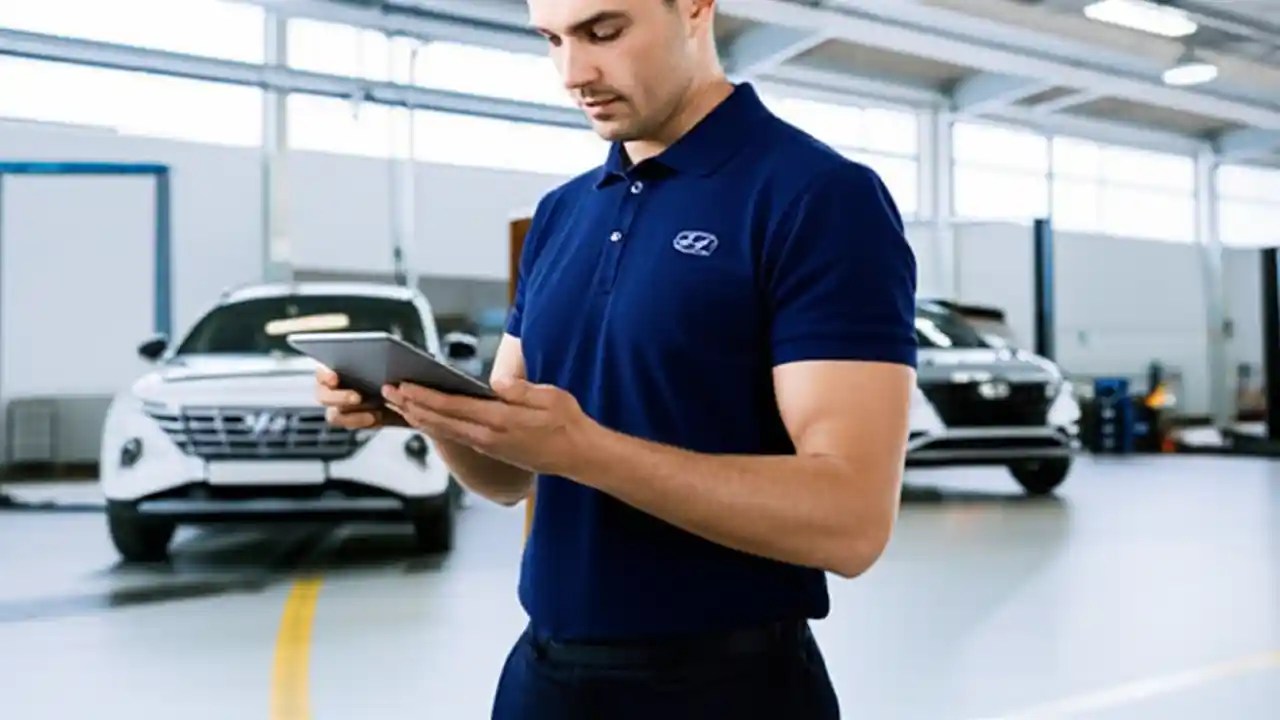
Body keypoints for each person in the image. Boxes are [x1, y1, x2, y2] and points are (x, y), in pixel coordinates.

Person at [316, 0, 917, 716]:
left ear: (695, 8)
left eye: (604, 32)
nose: (575, 72)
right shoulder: (561, 215)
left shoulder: (818, 197)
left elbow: (850, 522)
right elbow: (511, 476)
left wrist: (586, 450)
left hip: (728, 687)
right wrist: (432, 409)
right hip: (546, 675)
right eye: (552, 40)